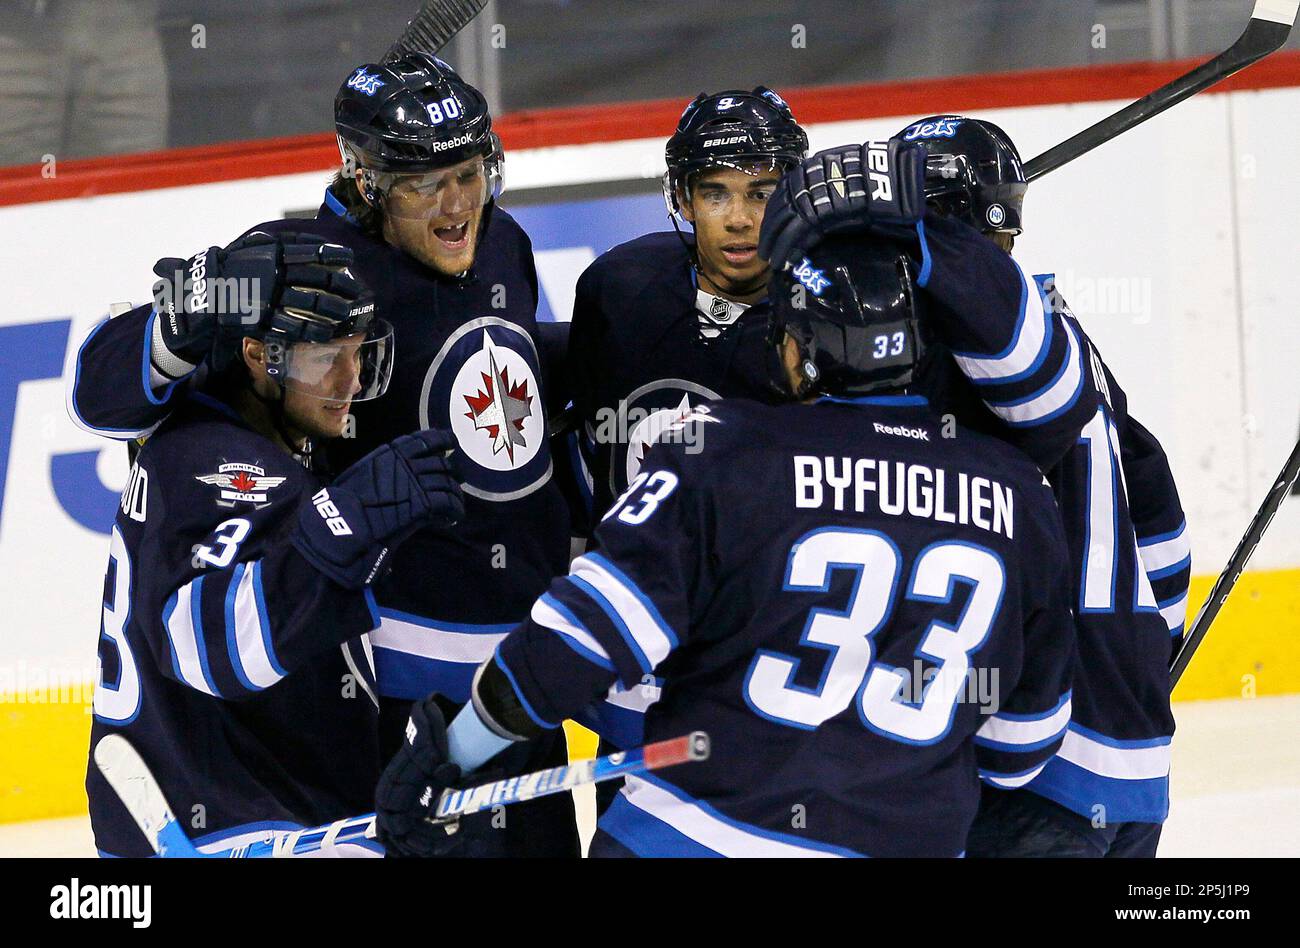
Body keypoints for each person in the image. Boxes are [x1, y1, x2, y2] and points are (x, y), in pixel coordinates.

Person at [373, 231, 1079, 858]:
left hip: (693, 835)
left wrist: (453, 756)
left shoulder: (727, 449)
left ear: (798, 350)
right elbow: (1020, 749)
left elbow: (575, 642)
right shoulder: (1020, 492)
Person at [67, 53, 581, 856]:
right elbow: (101, 396)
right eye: (423, 182)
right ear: (369, 180)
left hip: (519, 680)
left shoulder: (504, 242)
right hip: (404, 694)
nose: (456, 206)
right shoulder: (296, 274)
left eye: (470, 173)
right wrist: (197, 303)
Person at [84, 272, 467, 857]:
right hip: (226, 828)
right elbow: (203, 643)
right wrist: (339, 532)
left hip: (205, 819)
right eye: (326, 359)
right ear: (261, 359)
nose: (352, 378)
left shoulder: (215, 437)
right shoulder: (223, 464)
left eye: (358, 351)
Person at [892, 115, 1189, 856]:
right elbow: (1154, 505)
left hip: (1035, 775)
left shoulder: (954, 358)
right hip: (1134, 758)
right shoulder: (1068, 337)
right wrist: (1146, 653)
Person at [566, 87, 809, 521]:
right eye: (715, 194)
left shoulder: (823, 321)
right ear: (683, 199)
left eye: (761, 194)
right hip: (626, 578)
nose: (738, 219)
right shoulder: (617, 287)